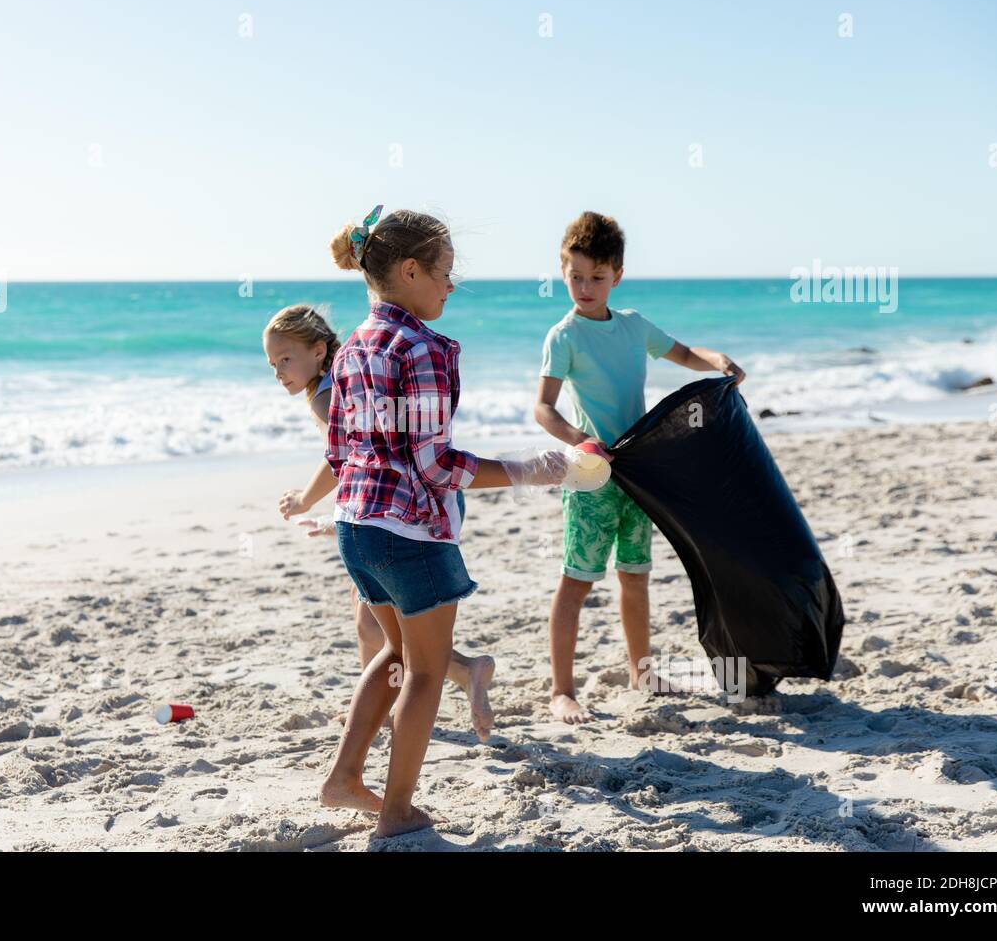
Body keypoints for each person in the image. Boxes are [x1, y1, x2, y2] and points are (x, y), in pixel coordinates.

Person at [318, 205, 566, 837]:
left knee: (396, 655)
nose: (451, 285)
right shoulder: (420, 347)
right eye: (445, 272)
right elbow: (434, 464)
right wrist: (522, 470)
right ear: (408, 270)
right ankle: (397, 811)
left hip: (356, 527)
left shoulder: (351, 348)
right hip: (409, 536)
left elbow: (341, 451)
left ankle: (346, 778)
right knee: (426, 672)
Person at [534, 210, 747, 724]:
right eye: (575, 276)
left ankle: (641, 671)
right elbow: (543, 408)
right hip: (591, 476)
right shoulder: (563, 336)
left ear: (617, 276)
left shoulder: (632, 327)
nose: (585, 287)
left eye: (597, 278)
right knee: (577, 581)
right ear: (563, 272)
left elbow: (684, 354)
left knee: (635, 576)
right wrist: (580, 439)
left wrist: (717, 359)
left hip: (640, 471)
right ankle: (562, 690)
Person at [262, 304, 497, 741]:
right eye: (272, 364)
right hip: (412, 499)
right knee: (372, 620)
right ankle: (382, 702)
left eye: (286, 359)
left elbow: (346, 459)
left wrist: (303, 499)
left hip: (400, 508)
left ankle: (462, 672)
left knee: (382, 622)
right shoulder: (351, 368)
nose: (278, 372)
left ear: (318, 350)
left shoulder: (323, 395)